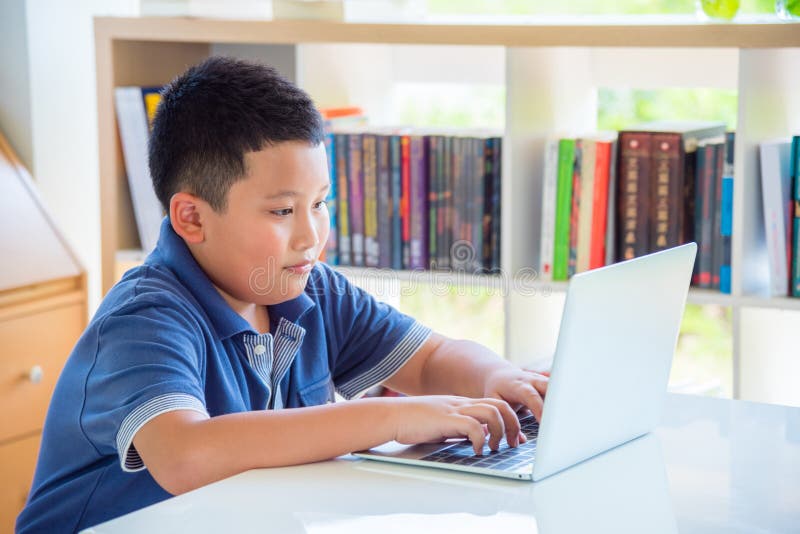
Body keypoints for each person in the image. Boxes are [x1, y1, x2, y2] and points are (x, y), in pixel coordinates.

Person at [16, 56, 548, 533]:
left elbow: (430, 357)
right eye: (282, 211)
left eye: (320, 203)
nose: (311, 235)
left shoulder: (308, 287)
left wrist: (496, 376)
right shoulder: (145, 319)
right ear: (192, 217)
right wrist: (389, 419)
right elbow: (186, 455)